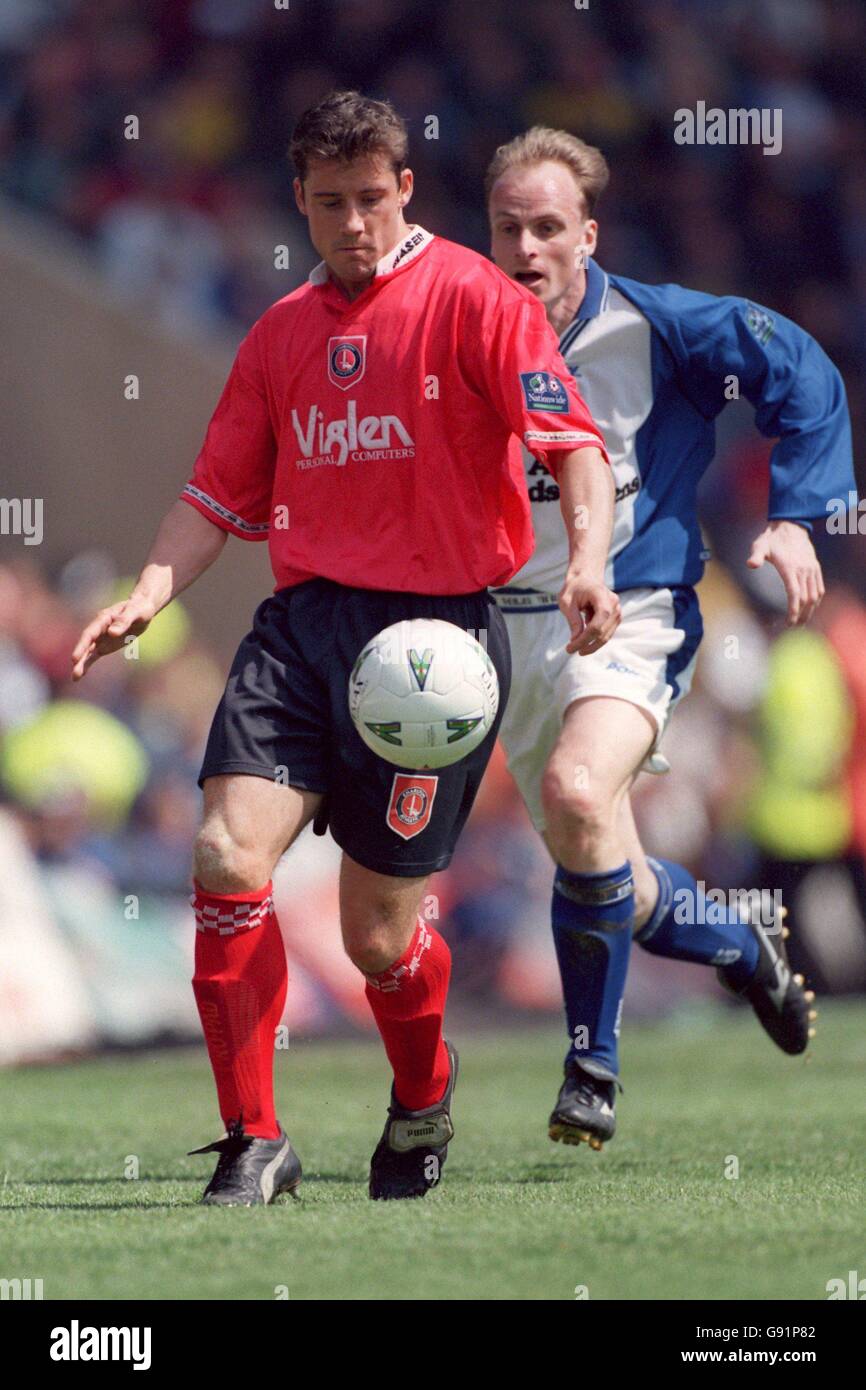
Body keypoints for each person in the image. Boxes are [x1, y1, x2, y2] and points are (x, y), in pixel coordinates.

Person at [71, 93, 618, 1203]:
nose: (354, 223)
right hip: (303, 630)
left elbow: (574, 449)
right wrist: (148, 593)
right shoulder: (277, 334)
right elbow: (212, 496)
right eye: (330, 204)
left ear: (404, 189)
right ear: (300, 204)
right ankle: (253, 1137)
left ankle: (421, 1092)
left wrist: (587, 563)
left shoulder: (476, 299)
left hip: (435, 650)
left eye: (373, 198)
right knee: (226, 859)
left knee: (377, 936)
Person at [485, 126, 855, 1150]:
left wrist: (792, 512)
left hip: (631, 614)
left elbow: (802, 370)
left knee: (575, 790)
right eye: (507, 227)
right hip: (496, 634)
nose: (526, 246)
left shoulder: (661, 324)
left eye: (547, 226)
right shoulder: (453, 337)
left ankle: (589, 1069)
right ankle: (737, 942)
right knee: (598, 852)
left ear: (586, 234)